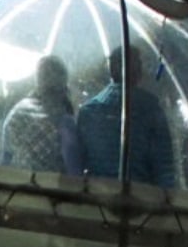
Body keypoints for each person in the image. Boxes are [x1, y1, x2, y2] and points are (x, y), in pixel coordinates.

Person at [75, 43, 177, 185]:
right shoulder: (151, 110)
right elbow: (164, 166)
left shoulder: (88, 111)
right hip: (141, 197)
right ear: (137, 72)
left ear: (111, 70)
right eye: (139, 63)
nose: (142, 68)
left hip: (97, 197)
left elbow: (79, 162)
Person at [0, 55, 77, 173]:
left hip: (15, 185)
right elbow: (74, 169)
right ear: (62, 84)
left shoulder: (16, 113)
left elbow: (5, 159)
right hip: (53, 188)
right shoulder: (64, 122)